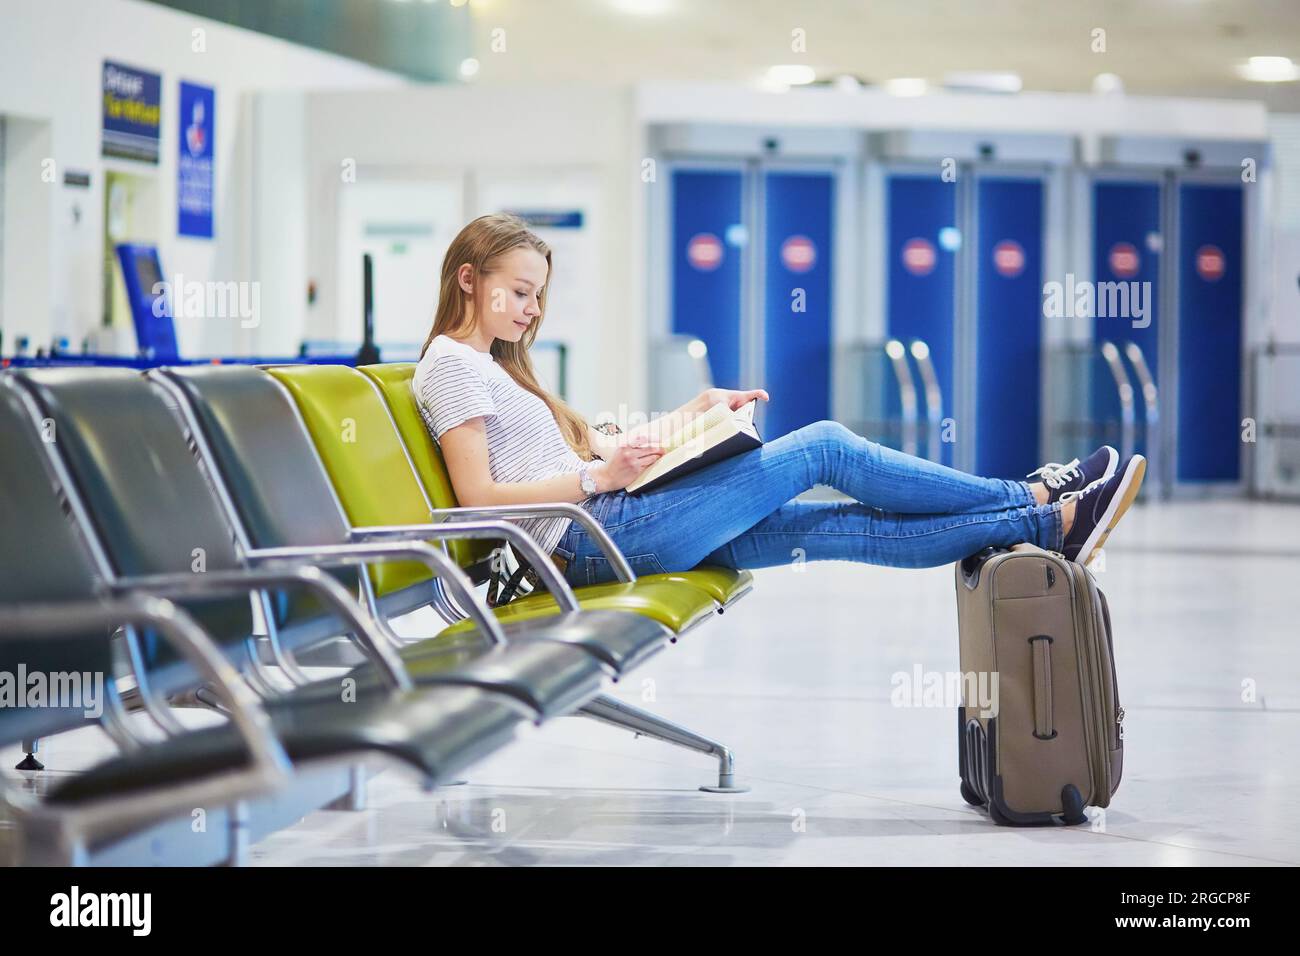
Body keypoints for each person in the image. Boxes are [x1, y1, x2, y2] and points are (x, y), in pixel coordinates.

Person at [412, 213, 1146, 591]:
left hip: (610, 523)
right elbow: (476, 498)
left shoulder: (499, 368)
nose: (532, 310)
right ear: (469, 279)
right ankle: (1033, 492)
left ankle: (1050, 522)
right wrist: (596, 482)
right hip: (587, 540)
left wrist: (697, 413)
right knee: (823, 445)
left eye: (539, 296)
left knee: (844, 528)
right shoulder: (450, 366)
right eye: (519, 292)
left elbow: (601, 452)